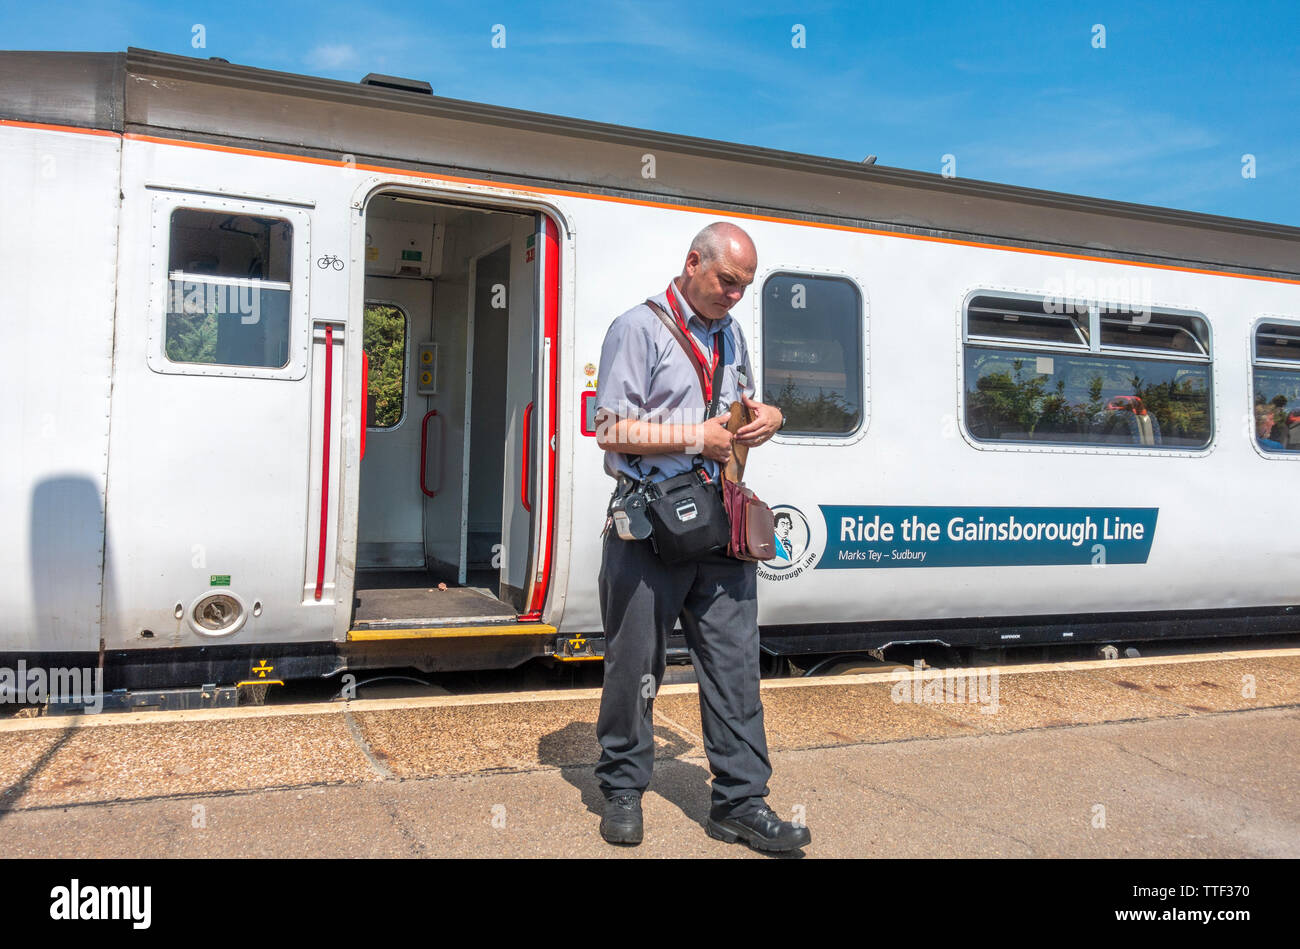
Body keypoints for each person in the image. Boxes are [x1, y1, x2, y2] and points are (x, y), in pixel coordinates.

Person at [591, 221, 811, 853]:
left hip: (719, 521)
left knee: (736, 666)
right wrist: (697, 437)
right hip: (650, 525)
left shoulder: (731, 333)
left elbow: (735, 410)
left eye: (744, 286)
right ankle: (623, 787)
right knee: (636, 664)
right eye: (727, 282)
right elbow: (607, 427)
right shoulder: (638, 327)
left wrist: (768, 414)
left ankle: (742, 802)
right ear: (693, 263)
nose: (735, 296)